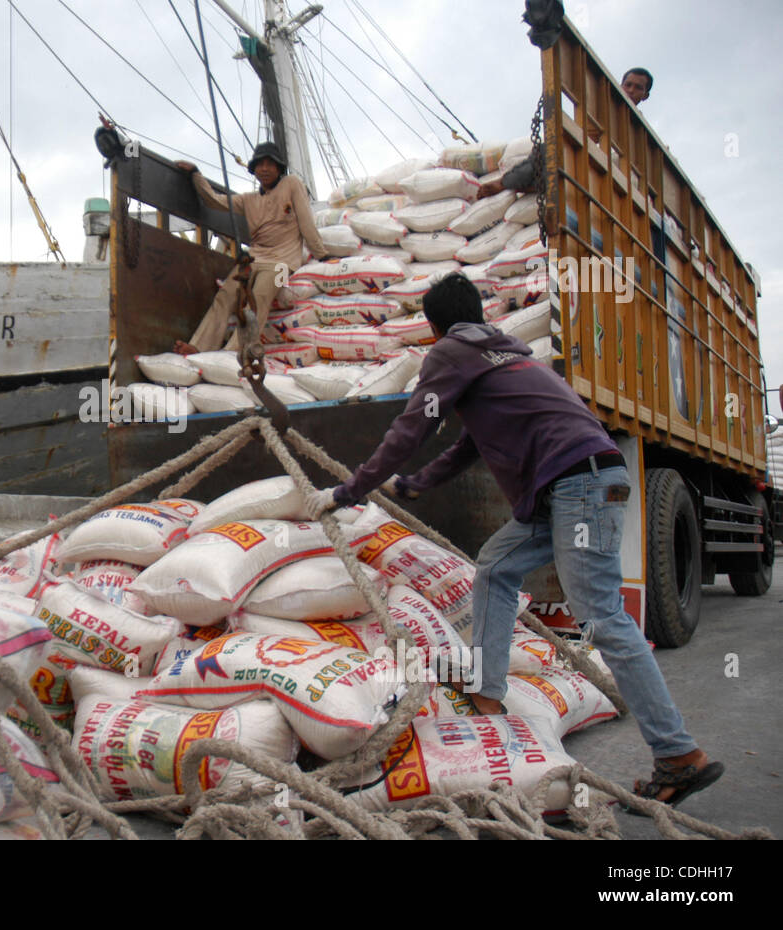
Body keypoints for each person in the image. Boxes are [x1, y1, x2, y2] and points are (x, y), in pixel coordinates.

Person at [324, 273, 722, 807]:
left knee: (603, 617)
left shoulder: (450, 351)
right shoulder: (504, 356)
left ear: (435, 325)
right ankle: (489, 690)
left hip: (576, 484)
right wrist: (417, 483)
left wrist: (351, 490)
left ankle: (678, 754)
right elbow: (469, 444)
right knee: (496, 566)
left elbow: (412, 427)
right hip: (569, 485)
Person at [172, 142, 330, 355]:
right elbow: (214, 201)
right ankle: (199, 346)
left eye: (270, 164)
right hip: (254, 259)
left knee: (260, 297)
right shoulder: (248, 200)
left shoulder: (292, 184)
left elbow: (306, 222)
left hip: (284, 264)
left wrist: (322, 255)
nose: (264, 169)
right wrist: (196, 174)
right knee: (225, 295)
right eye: (259, 165)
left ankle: (234, 351)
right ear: (253, 169)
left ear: (279, 168)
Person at [477, 66, 653, 200]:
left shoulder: (639, 131)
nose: (630, 90)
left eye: (638, 88)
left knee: (564, 167)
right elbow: (582, 135)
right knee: (548, 151)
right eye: (628, 85)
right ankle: (511, 183)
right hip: (579, 154)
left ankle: (513, 184)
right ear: (620, 86)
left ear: (645, 96)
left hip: (595, 168)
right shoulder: (601, 111)